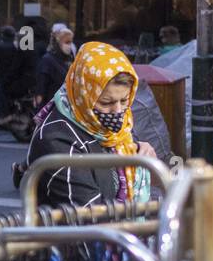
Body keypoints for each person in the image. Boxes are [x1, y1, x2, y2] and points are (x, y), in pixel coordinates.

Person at [26, 41, 157, 208]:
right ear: (83, 95)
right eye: (106, 102)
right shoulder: (56, 140)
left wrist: (142, 153)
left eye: (124, 100)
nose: (117, 111)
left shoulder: (116, 128)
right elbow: (89, 216)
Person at [34, 23, 75, 106]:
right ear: (58, 43)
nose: (69, 46)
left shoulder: (70, 58)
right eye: (66, 42)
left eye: (70, 42)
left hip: (67, 105)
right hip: (52, 105)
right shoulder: (48, 60)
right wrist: (39, 98)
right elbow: (42, 82)